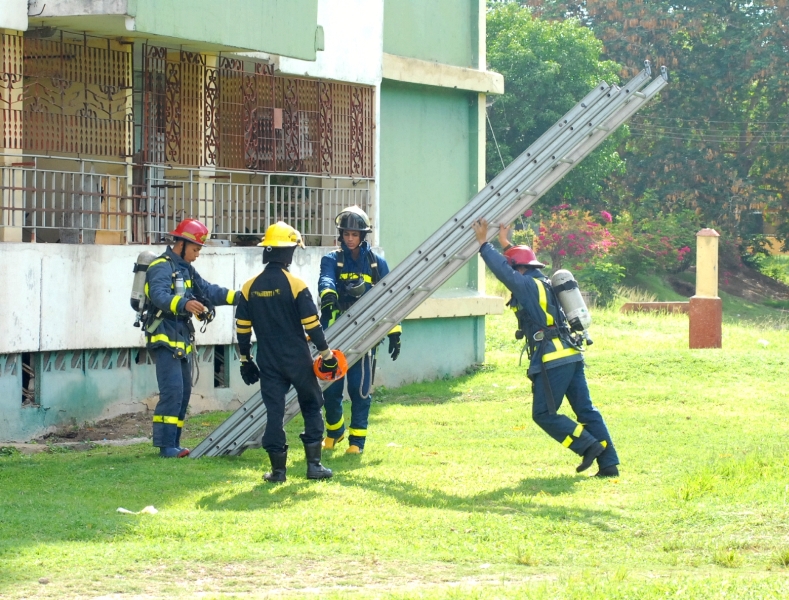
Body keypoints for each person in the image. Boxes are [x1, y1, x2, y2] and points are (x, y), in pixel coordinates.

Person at [472, 218, 620, 477]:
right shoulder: (543, 282)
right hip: (571, 354)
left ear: (519, 269)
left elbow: (503, 271)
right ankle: (609, 465)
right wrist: (506, 242)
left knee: (543, 414)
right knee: (586, 410)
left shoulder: (526, 286)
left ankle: (588, 446)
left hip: (553, 359)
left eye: (513, 267)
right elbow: (517, 263)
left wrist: (484, 244)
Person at [235, 221, 336, 482]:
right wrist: (326, 355)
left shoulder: (248, 288)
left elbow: (242, 329)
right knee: (312, 406)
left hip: (268, 361)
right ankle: (314, 466)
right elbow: (312, 326)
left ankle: (278, 472)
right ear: (289, 252)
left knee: (274, 413)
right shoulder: (296, 285)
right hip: (298, 360)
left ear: (267, 251)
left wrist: (245, 361)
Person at [145, 218, 238, 458]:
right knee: (172, 392)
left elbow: (207, 291)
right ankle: (166, 447)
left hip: (181, 340)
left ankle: (174, 444)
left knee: (184, 393)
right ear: (181, 243)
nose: (197, 254)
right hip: (164, 339)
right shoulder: (160, 266)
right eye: (195, 249)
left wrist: (240, 297)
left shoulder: (186, 268)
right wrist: (186, 303)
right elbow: (158, 296)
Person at [318, 206, 401, 454]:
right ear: (341, 235)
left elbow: (390, 297)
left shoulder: (376, 263)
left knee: (359, 389)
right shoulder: (331, 259)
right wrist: (329, 296)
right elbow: (326, 279)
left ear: (363, 236)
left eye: (355, 234)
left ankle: (357, 442)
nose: (350, 238)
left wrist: (394, 331)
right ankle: (335, 432)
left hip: (365, 335)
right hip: (334, 334)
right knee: (330, 389)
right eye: (346, 234)